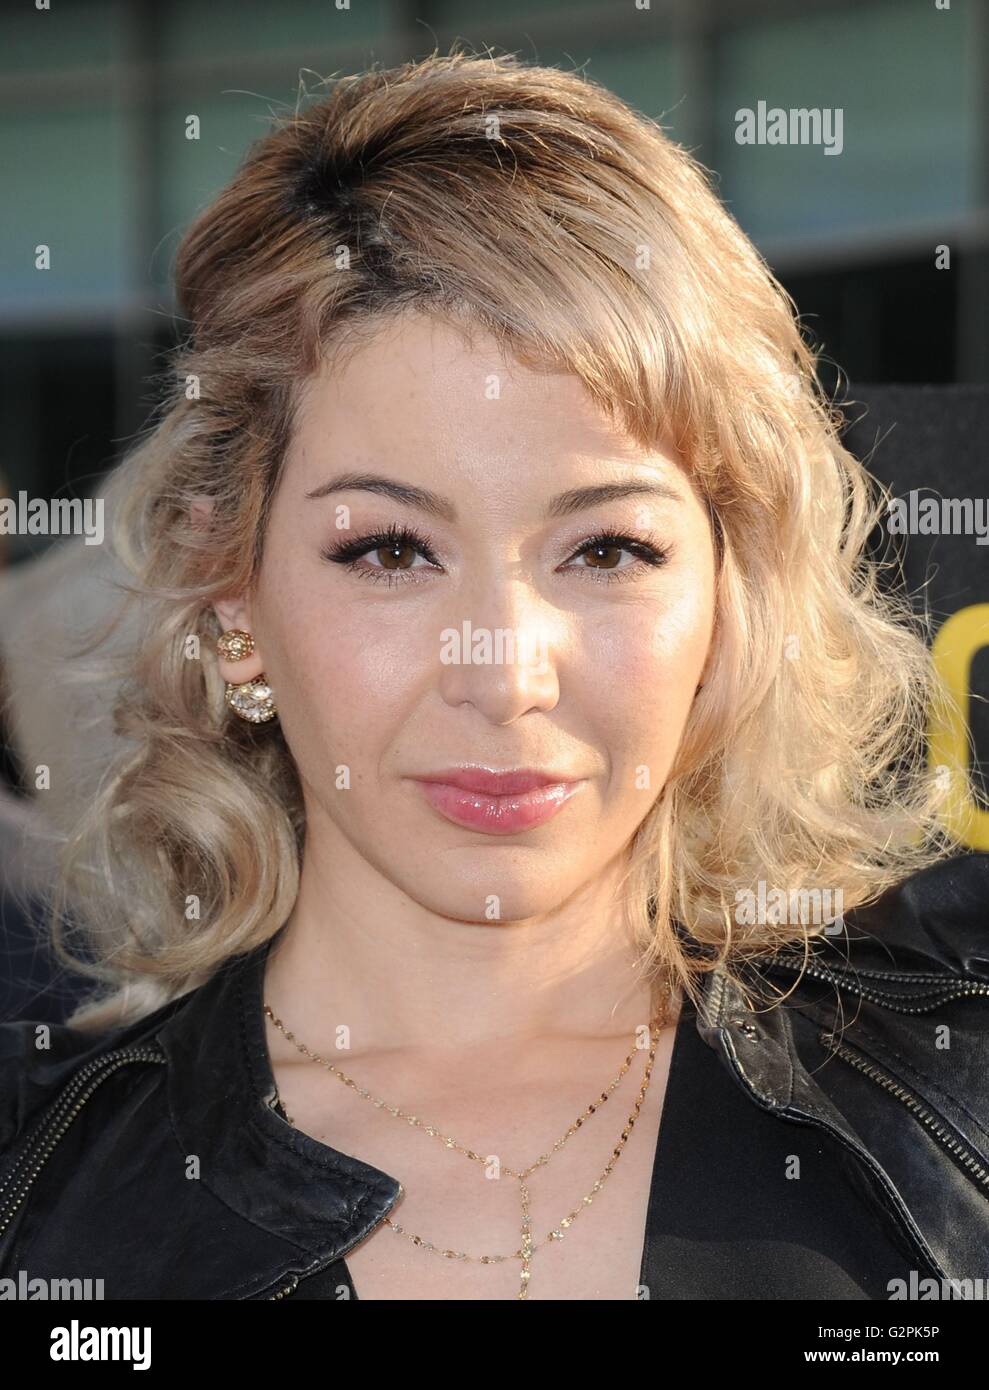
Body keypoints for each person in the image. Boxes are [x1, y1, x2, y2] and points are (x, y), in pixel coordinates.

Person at [0, 49, 986, 1302]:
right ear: (232, 597)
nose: (505, 672)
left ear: (730, 597)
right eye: (391, 549)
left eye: (606, 549)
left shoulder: (953, 1109)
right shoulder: (46, 1204)